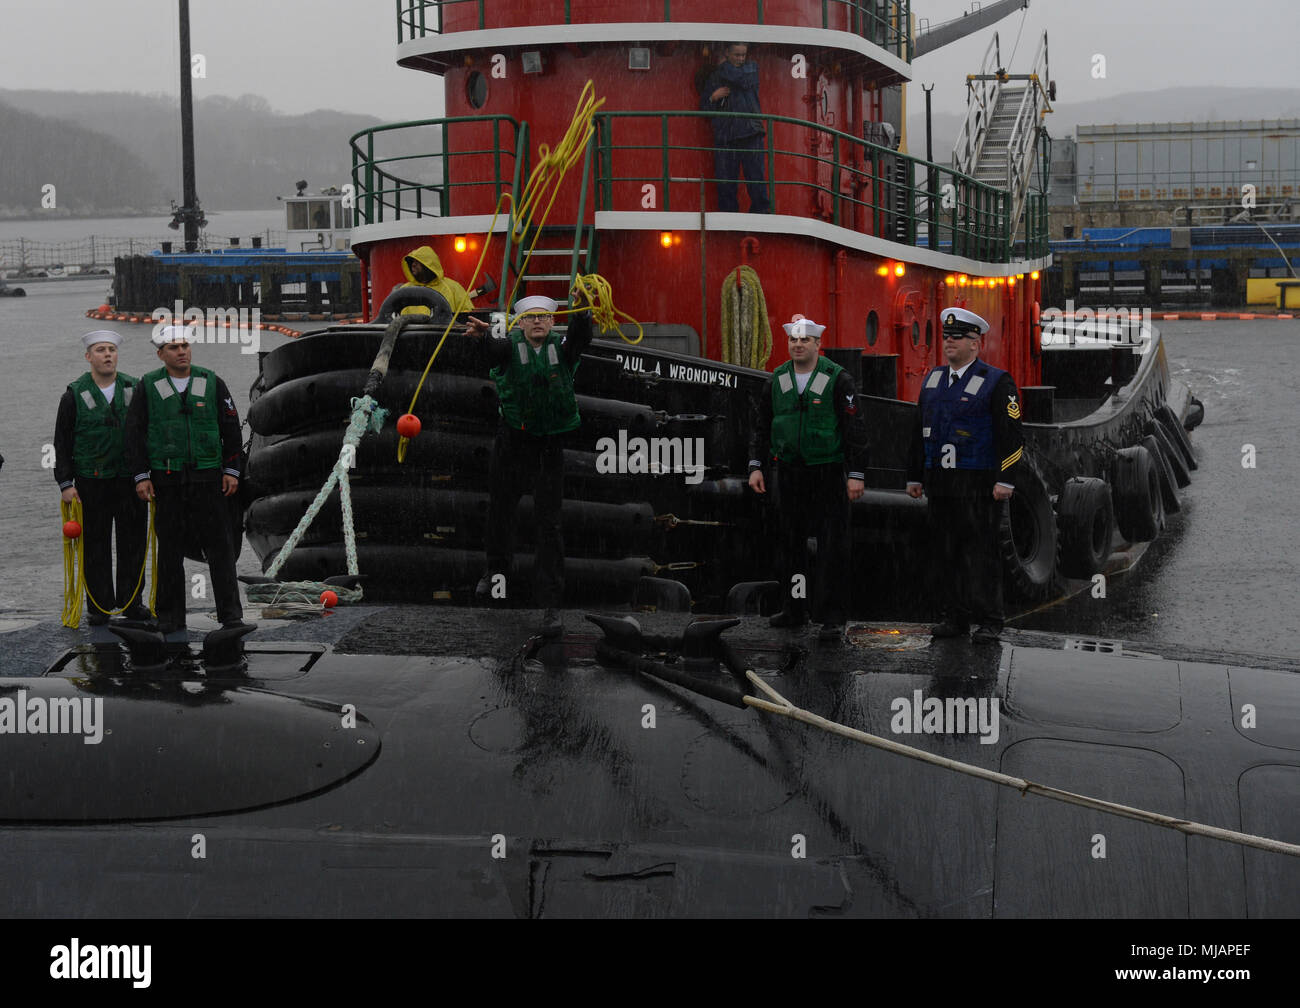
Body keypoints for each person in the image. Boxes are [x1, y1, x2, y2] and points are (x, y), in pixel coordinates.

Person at [464, 292, 595, 636]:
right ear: (519, 324)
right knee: (500, 516)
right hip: (513, 442)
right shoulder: (508, 347)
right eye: (530, 318)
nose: (537, 322)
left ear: (553, 322)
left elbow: (582, 336)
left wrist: (584, 310)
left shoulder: (563, 350)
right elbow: (492, 352)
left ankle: (550, 603)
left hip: (549, 445)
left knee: (549, 525)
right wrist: (483, 338)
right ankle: (497, 586)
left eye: (544, 317)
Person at [906, 307, 1024, 645]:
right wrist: (914, 475)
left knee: (982, 553)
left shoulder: (996, 382)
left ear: (976, 343)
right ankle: (955, 616)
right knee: (946, 553)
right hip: (941, 485)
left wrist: (1006, 479)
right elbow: (919, 431)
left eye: (956, 337)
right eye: (946, 337)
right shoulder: (932, 380)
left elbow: (1012, 435)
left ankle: (990, 619)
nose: (949, 342)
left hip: (978, 485)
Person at [748, 315, 867, 641]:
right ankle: (794, 607)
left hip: (827, 471)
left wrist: (855, 473)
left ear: (817, 344)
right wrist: (756, 466)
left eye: (805, 340)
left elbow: (854, 429)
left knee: (832, 546)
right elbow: (762, 426)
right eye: (793, 340)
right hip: (789, 472)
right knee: (791, 544)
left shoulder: (837, 380)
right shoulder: (777, 380)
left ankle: (832, 616)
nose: (798, 345)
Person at [125, 324, 246, 634]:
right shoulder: (148, 387)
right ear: (161, 354)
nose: (181, 351)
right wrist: (141, 476)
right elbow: (134, 435)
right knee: (169, 551)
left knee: (220, 548)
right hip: (168, 481)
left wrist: (232, 470)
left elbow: (231, 429)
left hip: (208, 479)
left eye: (184, 346)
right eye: (174, 348)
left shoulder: (211, 382)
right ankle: (170, 617)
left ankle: (230, 615)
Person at [53, 330, 149, 625]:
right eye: (100, 350)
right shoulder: (74, 395)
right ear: (88, 357)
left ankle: (132, 602)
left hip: (130, 480)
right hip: (91, 482)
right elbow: (62, 442)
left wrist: (147, 474)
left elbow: (149, 433)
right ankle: (99, 605)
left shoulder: (136, 388)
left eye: (111, 350)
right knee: (95, 545)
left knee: (133, 542)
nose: (107, 355)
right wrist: (66, 483)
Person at [699, 42, 771, 214]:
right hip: (727, 134)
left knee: (755, 176)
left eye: (743, 55)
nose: (740, 59)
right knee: (726, 180)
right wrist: (712, 97)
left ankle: (760, 212)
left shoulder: (751, 69)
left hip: (749, 132)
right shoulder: (717, 77)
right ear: (728, 53)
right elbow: (704, 109)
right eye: (737, 55)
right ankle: (729, 214)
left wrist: (723, 67)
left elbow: (740, 78)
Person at [400, 245, 474, 317]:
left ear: (429, 265)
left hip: (446, 329)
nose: (413, 265)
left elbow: (468, 315)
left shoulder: (453, 288)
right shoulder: (404, 290)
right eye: (412, 261)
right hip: (410, 330)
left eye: (417, 261)